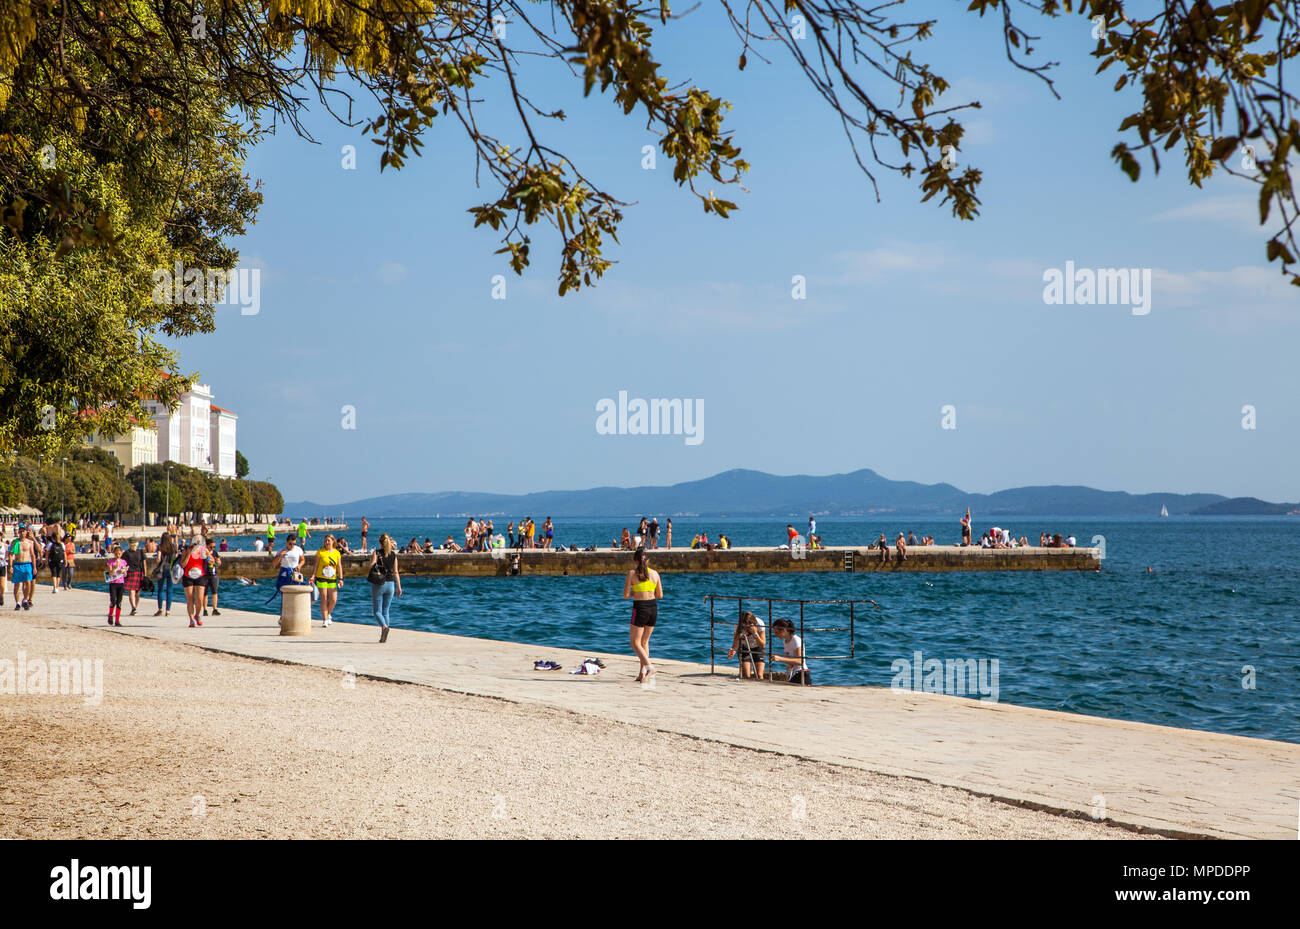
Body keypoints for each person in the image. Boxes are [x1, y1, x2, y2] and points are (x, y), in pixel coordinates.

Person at [622, 546, 662, 683]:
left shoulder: (632, 574)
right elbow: (660, 595)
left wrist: (636, 592)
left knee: (634, 643)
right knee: (644, 642)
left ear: (635, 561)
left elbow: (626, 595)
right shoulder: (655, 574)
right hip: (653, 608)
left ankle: (649, 666)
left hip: (640, 608)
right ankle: (642, 673)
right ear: (648, 560)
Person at [366, 534, 400, 642]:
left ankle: (384, 627)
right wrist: (399, 586)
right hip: (391, 584)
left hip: (379, 584)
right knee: (386, 610)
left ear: (379, 542)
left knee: (377, 611)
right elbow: (396, 572)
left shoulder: (377, 553)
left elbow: (371, 566)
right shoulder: (393, 555)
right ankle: (384, 635)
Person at [313, 533, 343, 627]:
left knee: (333, 599)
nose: (327, 542)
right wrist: (313, 576)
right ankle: (325, 619)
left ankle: (328, 613)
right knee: (324, 599)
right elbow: (316, 565)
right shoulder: (320, 552)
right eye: (325, 540)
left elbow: (339, 566)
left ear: (333, 541)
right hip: (321, 578)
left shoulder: (337, 553)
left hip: (332, 579)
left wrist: (341, 578)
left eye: (328, 540)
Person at [181, 536, 211, 628]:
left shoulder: (203, 550)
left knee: (199, 599)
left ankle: (197, 615)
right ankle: (191, 620)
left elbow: (211, 560)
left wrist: (209, 560)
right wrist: (189, 554)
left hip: (200, 576)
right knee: (190, 600)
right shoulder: (186, 550)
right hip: (188, 576)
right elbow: (182, 565)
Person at [727, 610, 766, 680]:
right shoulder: (738, 627)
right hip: (745, 648)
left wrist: (755, 633)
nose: (746, 629)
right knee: (747, 676)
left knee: (759, 675)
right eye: (744, 626)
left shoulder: (760, 624)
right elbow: (735, 644)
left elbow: (762, 645)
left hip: (757, 648)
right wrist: (732, 652)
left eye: (748, 627)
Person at [771, 619, 811, 685]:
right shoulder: (785, 641)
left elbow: (800, 661)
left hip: (801, 673)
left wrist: (780, 659)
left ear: (784, 630)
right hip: (792, 674)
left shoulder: (796, 640)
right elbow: (790, 661)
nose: (775, 635)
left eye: (777, 632)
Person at [153, 532, 177, 617]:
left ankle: (160, 609)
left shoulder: (160, 546)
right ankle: (168, 610)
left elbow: (158, 559)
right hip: (170, 570)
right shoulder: (173, 547)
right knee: (169, 590)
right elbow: (175, 558)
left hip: (162, 570)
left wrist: (157, 564)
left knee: (160, 590)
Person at [11, 528, 35, 610]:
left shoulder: (30, 542)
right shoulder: (15, 542)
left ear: (26, 532)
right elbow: (11, 554)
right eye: (20, 532)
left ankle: (25, 599)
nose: (21, 533)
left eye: (23, 532)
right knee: (16, 584)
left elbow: (32, 555)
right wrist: (11, 566)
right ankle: (17, 602)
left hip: (27, 564)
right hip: (17, 564)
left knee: (28, 582)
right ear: (18, 533)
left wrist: (34, 567)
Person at [105, 544, 128, 627]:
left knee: (119, 602)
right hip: (113, 583)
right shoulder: (111, 562)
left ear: (121, 553)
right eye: (116, 554)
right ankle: (110, 615)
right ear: (114, 553)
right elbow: (110, 575)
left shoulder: (123, 562)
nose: (117, 555)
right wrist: (114, 568)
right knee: (113, 601)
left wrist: (123, 571)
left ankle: (117, 620)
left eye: (119, 554)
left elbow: (125, 574)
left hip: (120, 583)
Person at [122, 540, 145, 616]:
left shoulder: (126, 553)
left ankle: (134, 608)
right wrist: (145, 574)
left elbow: (123, 564)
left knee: (135, 592)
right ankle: (134, 608)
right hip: (134, 573)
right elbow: (144, 564)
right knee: (135, 592)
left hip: (135, 573)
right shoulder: (140, 551)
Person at [204, 544, 222, 616]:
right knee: (205, 593)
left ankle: (215, 609)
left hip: (213, 575)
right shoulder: (203, 554)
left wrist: (218, 562)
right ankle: (205, 609)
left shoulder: (215, 553)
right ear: (206, 546)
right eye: (210, 546)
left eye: (213, 547)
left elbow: (219, 563)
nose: (212, 548)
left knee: (214, 592)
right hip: (204, 575)